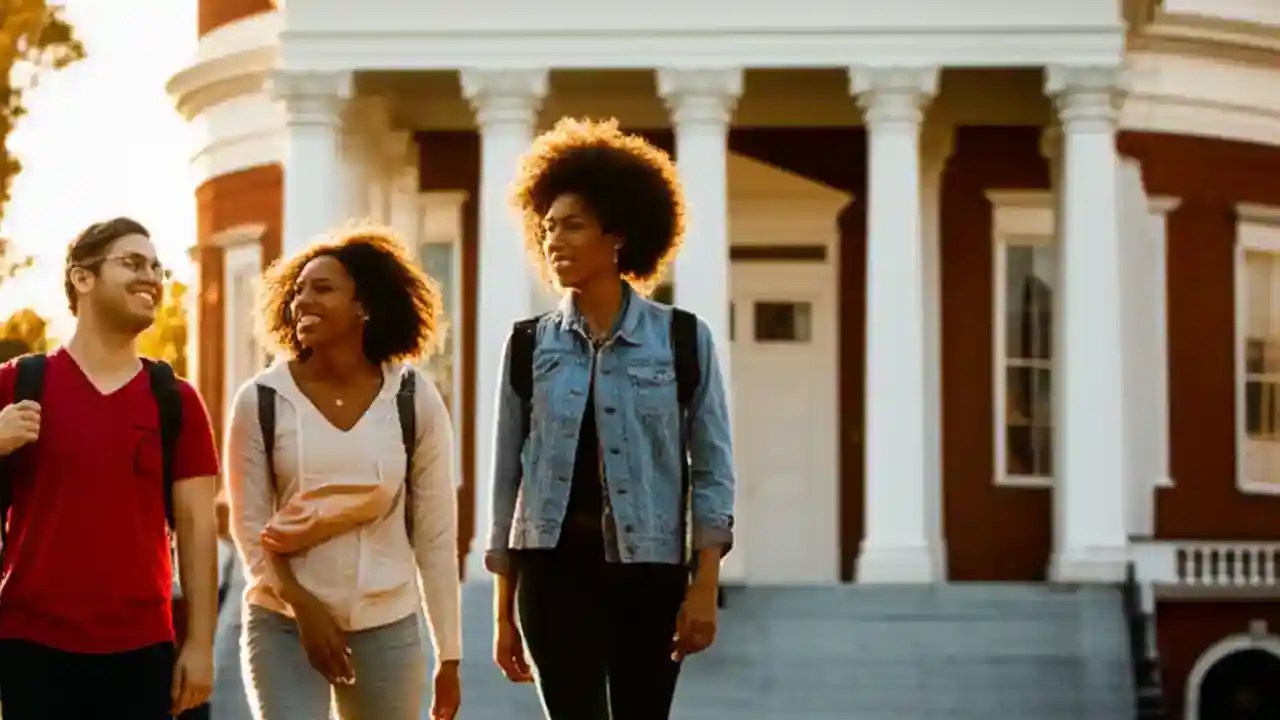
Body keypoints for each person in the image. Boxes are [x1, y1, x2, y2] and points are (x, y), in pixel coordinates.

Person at [487, 117, 737, 719]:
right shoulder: (527, 346)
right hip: (552, 574)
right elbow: (505, 482)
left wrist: (703, 585)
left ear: (617, 235)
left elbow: (712, 469)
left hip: (649, 573)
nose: (555, 240)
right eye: (546, 227)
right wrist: (502, 611)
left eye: (572, 225)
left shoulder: (680, 339)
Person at [225, 225, 462, 720]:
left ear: (364, 306)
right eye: (298, 290)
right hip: (283, 622)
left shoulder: (412, 399)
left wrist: (450, 654)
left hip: (386, 624)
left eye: (323, 288)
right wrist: (301, 605)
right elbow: (248, 528)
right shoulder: (261, 400)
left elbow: (436, 535)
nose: (302, 300)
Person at [0, 217, 220, 718]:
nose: (152, 277)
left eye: (157, 267)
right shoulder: (18, 384)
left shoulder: (176, 401)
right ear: (82, 278)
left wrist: (201, 644)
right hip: (31, 647)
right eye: (133, 263)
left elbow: (197, 527)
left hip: (140, 650)